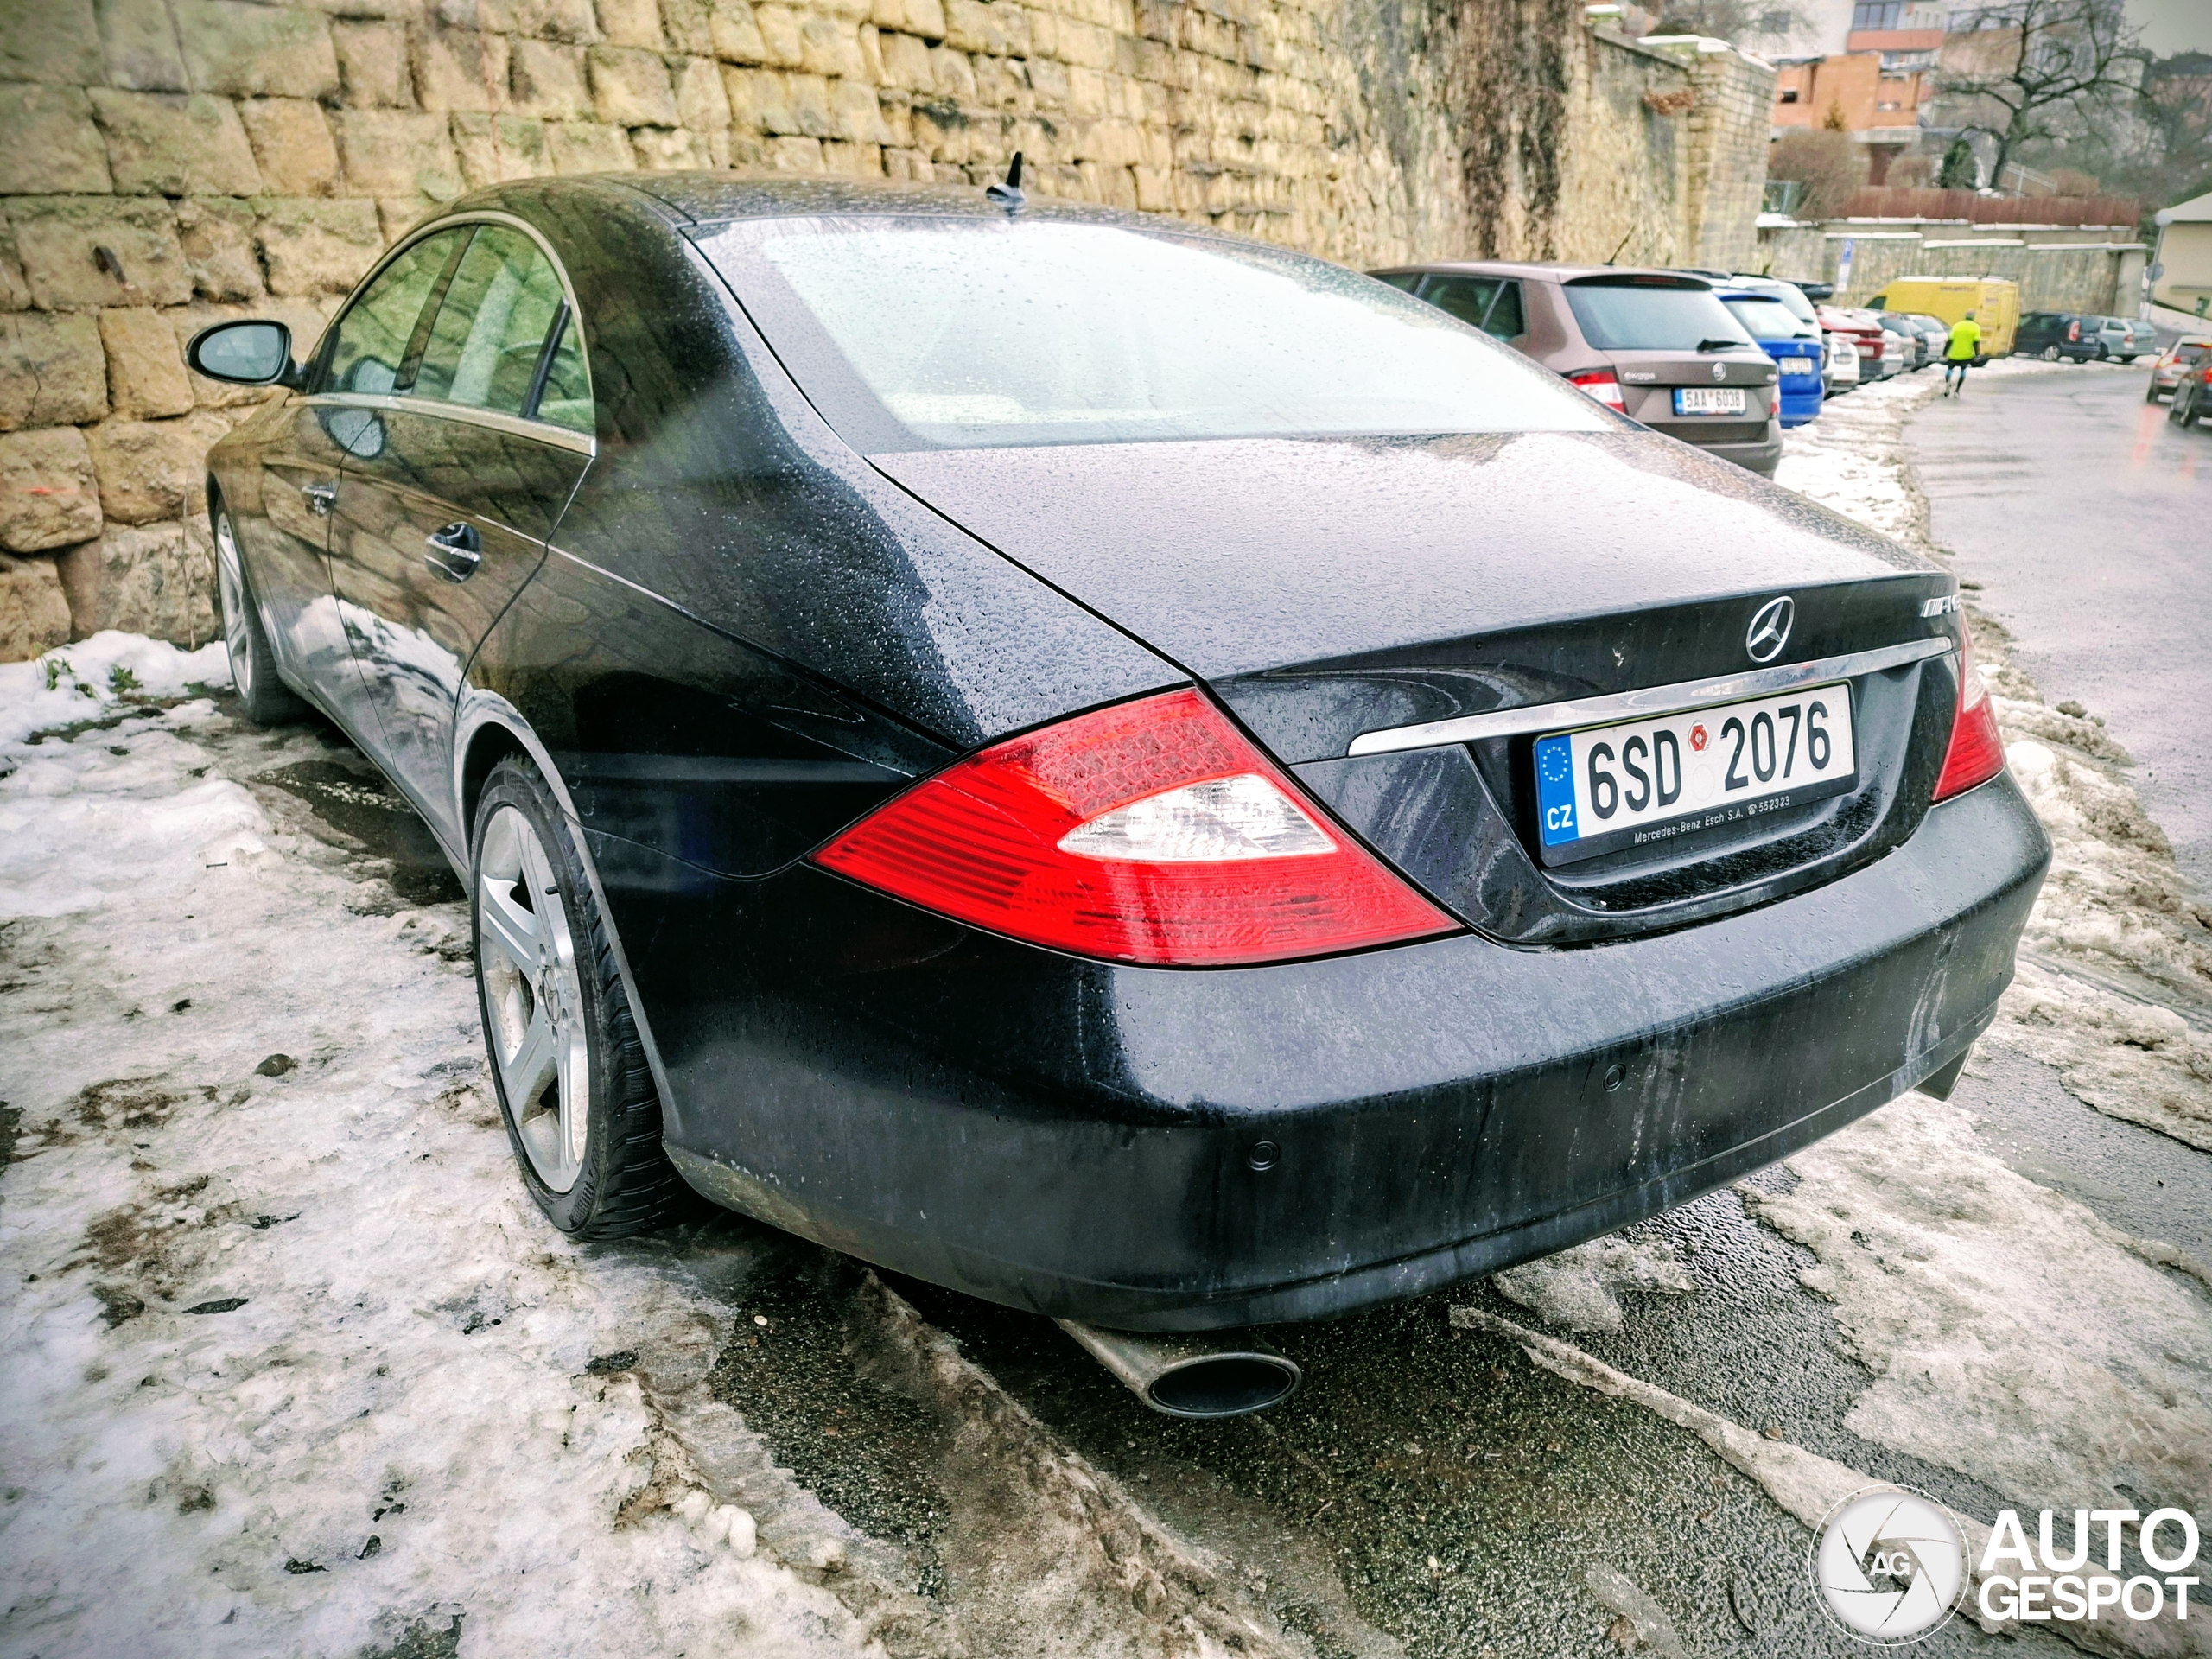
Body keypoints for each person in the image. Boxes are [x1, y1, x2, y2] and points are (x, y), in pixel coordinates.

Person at [1943, 312, 1980, 396]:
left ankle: (1947, 384)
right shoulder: (1976, 327)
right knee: (1963, 371)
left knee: (1950, 369)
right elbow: (1976, 342)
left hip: (1954, 353)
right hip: (1967, 354)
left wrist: (1945, 352)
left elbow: (1950, 340)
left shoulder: (1957, 325)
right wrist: (1977, 354)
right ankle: (1957, 390)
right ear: (1974, 318)